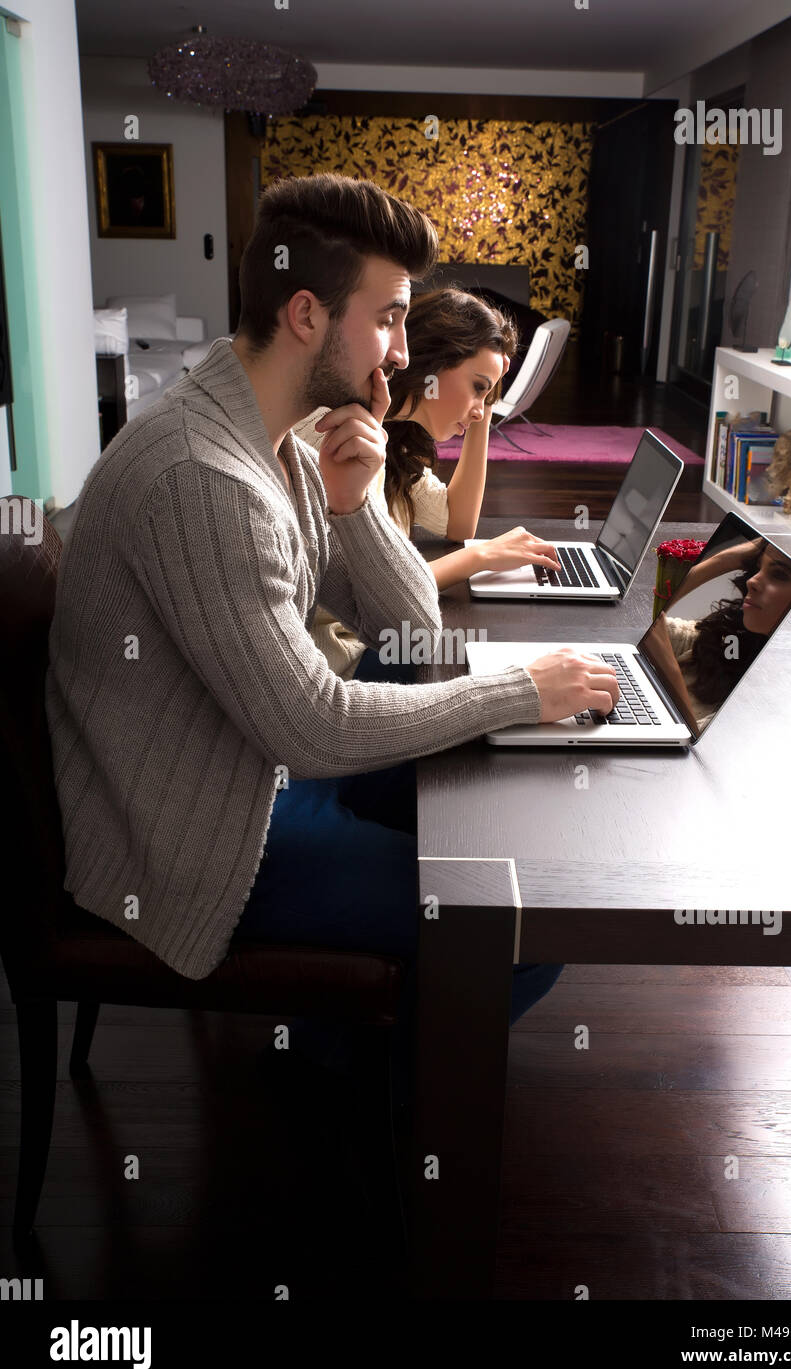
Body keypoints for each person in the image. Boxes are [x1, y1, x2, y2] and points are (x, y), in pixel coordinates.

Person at [45, 173, 620, 1108]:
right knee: (522, 925)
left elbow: (410, 631)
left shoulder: (283, 432)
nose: (402, 351)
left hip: (252, 766)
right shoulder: (206, 477)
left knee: (479, 771)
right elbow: (311, 730)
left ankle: (340, 1029)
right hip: (206, 834)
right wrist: (523, 692)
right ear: (306, 314)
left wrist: (353, 507)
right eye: (390, 318)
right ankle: (372, 1124)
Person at [293, 285, 561, 682]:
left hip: (372, 640)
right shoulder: (348, 435)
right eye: (477, 386)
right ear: (435, 361)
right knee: (485, 646)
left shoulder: (395, 431)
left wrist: (482, 407)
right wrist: (480, 556)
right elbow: (385, 595)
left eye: (486, 393)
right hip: (338, 664)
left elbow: (456, 522)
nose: (478, 408)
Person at [643, 537, 791, 734]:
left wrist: (667, 664)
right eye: (758, 568)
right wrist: (726, 559)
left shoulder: (784, 695)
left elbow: (696, 743)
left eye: (779, 575)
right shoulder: (730, 640)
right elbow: (652, 625)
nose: (751, 581)